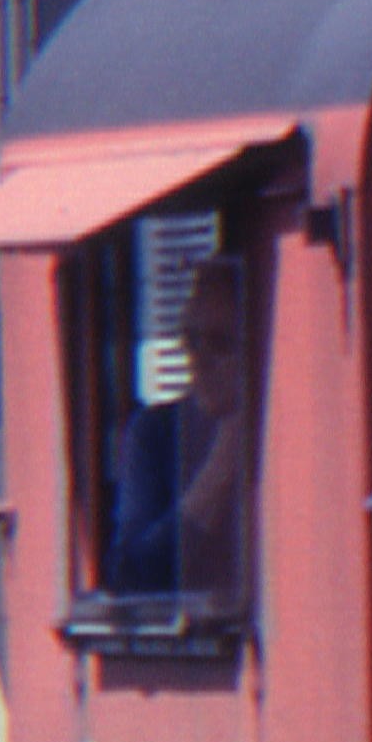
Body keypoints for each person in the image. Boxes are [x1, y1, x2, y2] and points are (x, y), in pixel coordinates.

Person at [102, 230, 260, 606]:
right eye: (191, 340)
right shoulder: (155, 433)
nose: (198, 361)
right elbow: (131, 579)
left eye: (220, 344)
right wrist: (218, 471)